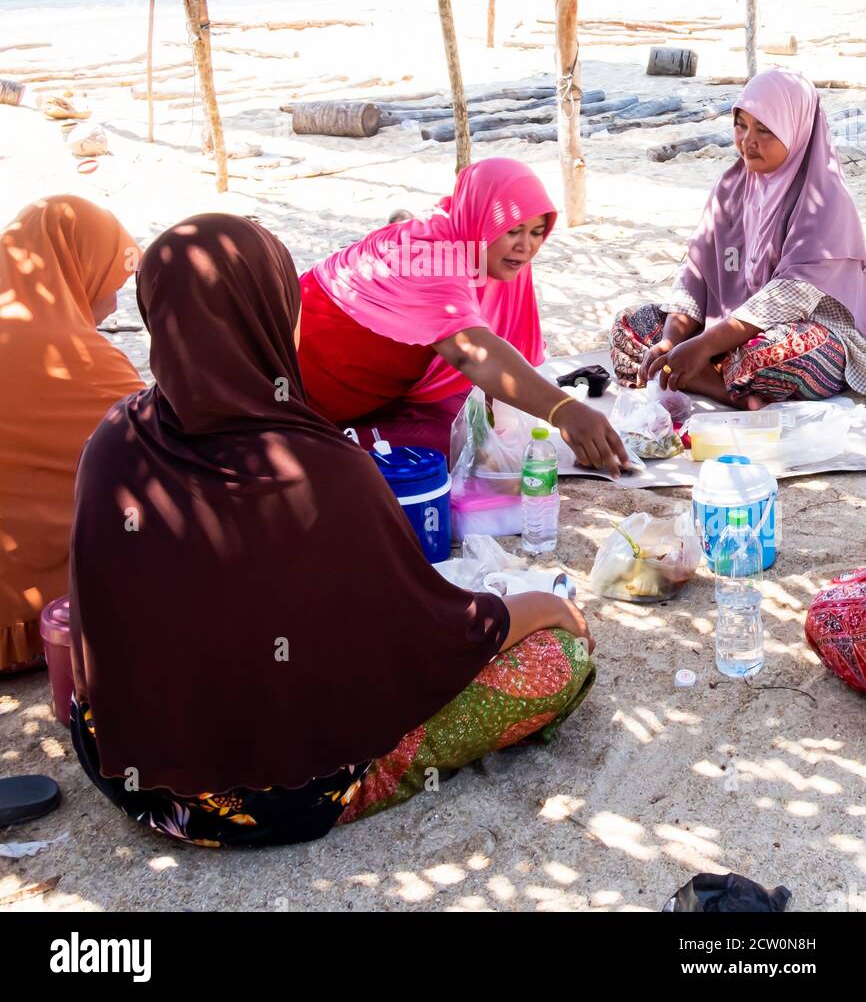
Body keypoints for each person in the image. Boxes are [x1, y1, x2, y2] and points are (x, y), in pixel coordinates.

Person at [69, 214, 597, 848]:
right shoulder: (318, 471)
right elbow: (424, 643)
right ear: (272, 316)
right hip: (274, 799)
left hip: (124, 765)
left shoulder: (113, 441)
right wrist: (539, 608)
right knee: (555, 661)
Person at [299, 157, 627, 474]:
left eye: (537, 231)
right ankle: (328, 443)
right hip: (303, 389)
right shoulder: (428, 255)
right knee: (457, 447)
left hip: (389, 388)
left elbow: (493, 351)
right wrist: (563, 410)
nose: (526, 246)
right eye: (513, 230)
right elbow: (471, 352)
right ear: (482, 218)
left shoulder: (487, 252)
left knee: (482, 434)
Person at [611, 69, 866, 406]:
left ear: (797, 131)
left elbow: (787, 298)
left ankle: (706, 378)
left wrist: (702, 347)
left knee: (774, 355)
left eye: (765, 130)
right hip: (725, 331)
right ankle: (728, 388)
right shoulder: (732, 187)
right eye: (741, 125)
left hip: (808, 331)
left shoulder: (825, 199)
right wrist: (672, 341)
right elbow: (696, 271)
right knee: (631, 327)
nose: (748, 140)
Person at [0, 195, 142, 674]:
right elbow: (156, 445)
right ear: (76, 268)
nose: (116, 300)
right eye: (114, 281)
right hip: (38, 620)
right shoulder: (81, 358)